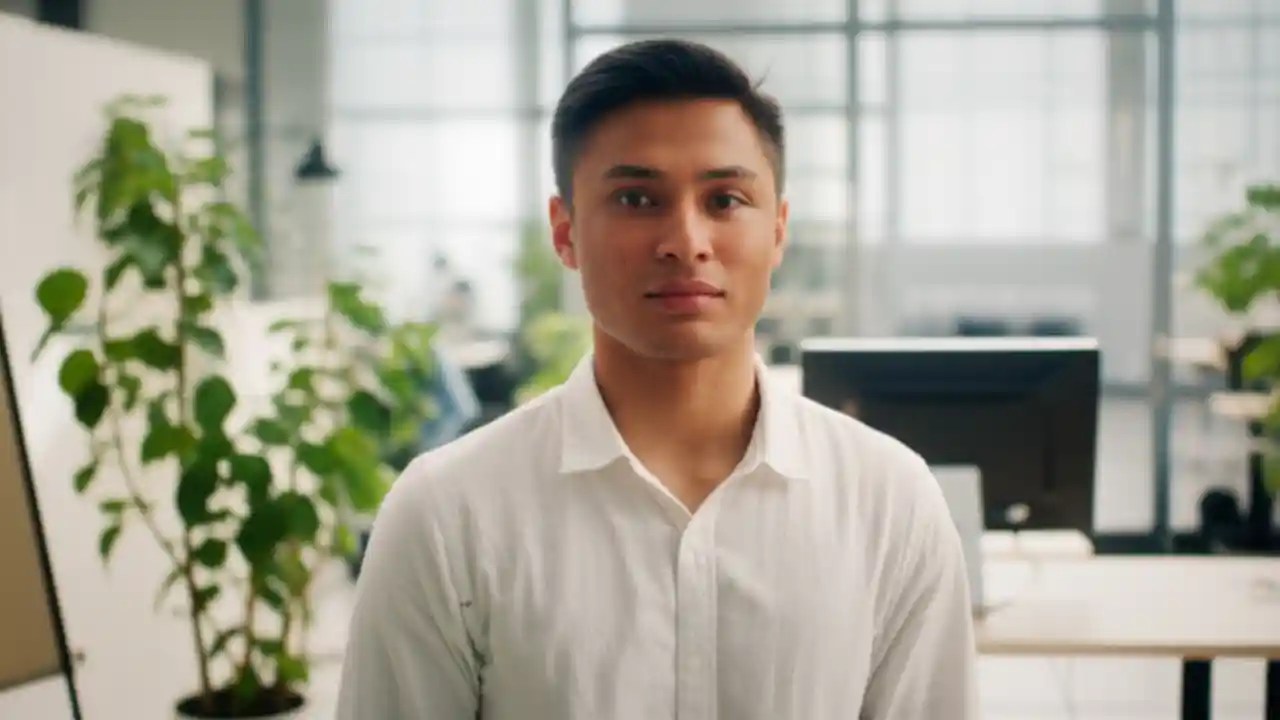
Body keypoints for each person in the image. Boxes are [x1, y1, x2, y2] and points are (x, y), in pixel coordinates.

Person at [336, 39, 978, 719]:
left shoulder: (890, 502)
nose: (686, 240)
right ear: (565, 232)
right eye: (637, 198)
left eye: (725, 199)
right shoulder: (447, 513)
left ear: (779, 230)